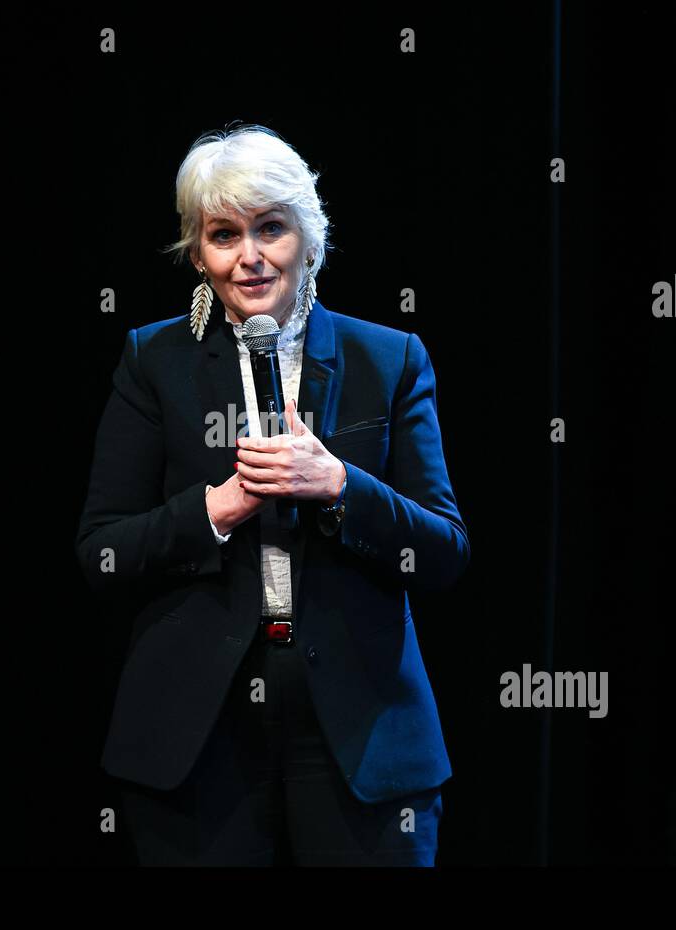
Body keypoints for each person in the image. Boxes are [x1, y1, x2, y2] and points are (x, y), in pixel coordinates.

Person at [76, 124, 469, 865]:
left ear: (309, 239)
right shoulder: (151, 361)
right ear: (198, 253)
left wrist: (340, 486)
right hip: (199, 731)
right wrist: (217, 511)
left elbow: (443, 552)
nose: (250, 256)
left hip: (359, 726)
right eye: (224, 234)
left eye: (271, 228)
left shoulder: (388, 359)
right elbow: (101, 553)